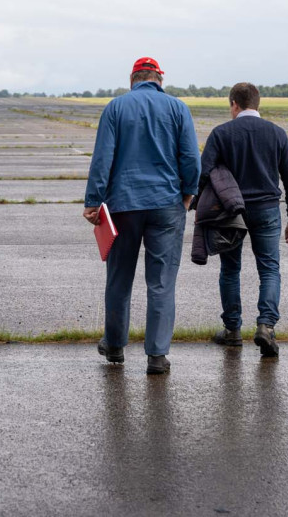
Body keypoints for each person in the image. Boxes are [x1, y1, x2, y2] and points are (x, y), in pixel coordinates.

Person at [83, 57, 201, 375]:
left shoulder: (116, 108)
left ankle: (115, 346)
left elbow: (102, 157)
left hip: (123, 205)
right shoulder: (179, 109)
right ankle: (157, 356)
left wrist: (93, 200)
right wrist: (188, 195)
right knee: (161, 282)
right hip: (167, 205)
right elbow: (191, 157)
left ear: (132, 79)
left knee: (119, 279)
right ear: (159, 79)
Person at [200, 82, 288, 357]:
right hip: (267, 209)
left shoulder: (221, 133)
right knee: (269, 269)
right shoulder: (276, 133)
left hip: (230, 212)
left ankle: (232, 330)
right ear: (258, 104)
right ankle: (266, 326)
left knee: (230, 270)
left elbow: (203, 171)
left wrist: (198, 206)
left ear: (234, 104)